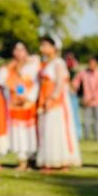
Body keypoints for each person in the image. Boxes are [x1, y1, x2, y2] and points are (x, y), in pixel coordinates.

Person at [35, 36, 82, 171]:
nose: (41, 48)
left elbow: (60, 83)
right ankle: (49, 160)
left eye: (44, 45)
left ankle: (61, 160)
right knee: (47, 129)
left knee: (56, 129)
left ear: (53, 47)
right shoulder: (46, 64)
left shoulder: (58, 63)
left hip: (56, 102)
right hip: (45, 99)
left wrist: (52, 98)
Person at [0, 41, 39, 170]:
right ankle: (22, 159)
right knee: (18, 132)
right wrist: (8, 67)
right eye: (16, 50)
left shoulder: (33, 65)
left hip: (28, 103)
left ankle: (31, 158)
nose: (19, 53)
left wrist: (28, 96)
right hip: (15, 104)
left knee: (30, 131)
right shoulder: (10, 67)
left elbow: (36, 82)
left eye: (22, 49)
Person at [76, 56, 98, 142]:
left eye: (93, 64)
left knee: (97, 119)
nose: (91, 65)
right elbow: (76, 82)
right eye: (90, 63)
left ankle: (97, 136)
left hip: (97, 101)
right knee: (86, 119)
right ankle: (86, 136)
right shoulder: (83, 73)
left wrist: (90, 99)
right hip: (86, 100)